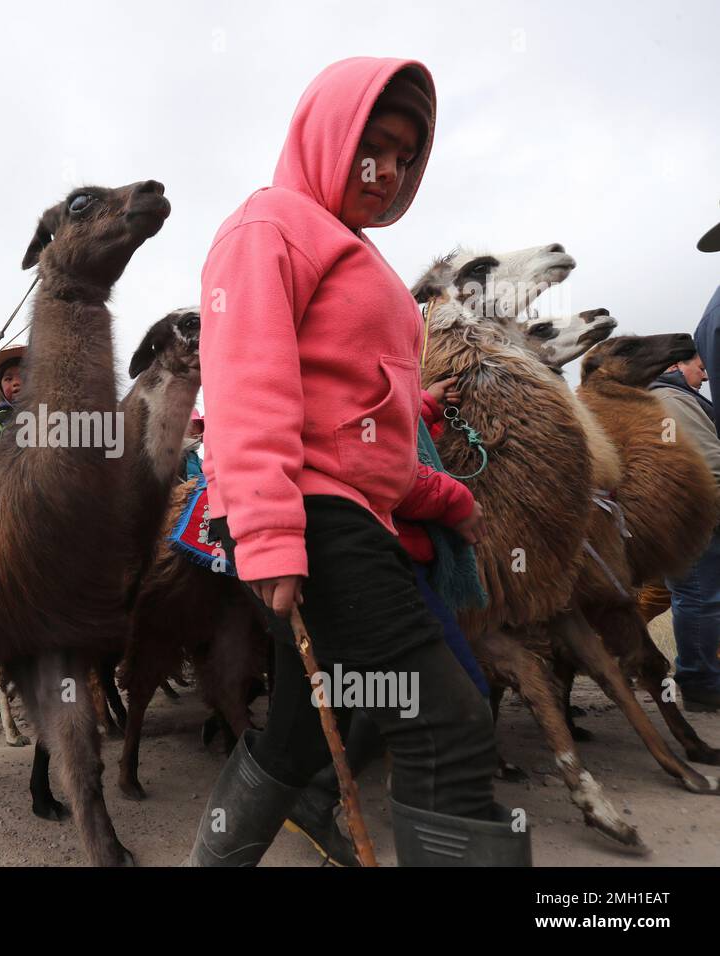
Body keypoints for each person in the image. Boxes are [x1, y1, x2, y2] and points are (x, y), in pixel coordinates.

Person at [189, 57, 519, 867]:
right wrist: (266, 533)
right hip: (315, 516)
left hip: (356, 511)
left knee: (302, 734)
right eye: (376, 146)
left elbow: (367, 428)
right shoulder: (269, 226)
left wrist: (444, 498)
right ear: (330, 136)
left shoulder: (356, 252)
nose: (391, 171)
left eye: (408, 158)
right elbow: (245, 383)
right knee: (449, 721)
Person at [642, 348, 720, 711]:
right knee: (700, 597)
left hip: (687, 517)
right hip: (696, 518)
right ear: (675, 364)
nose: (705, 377)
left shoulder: (670, 396)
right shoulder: (670, 398)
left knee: (696, 597)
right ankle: (700, 682)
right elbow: (706, 465)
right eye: (700, 368)